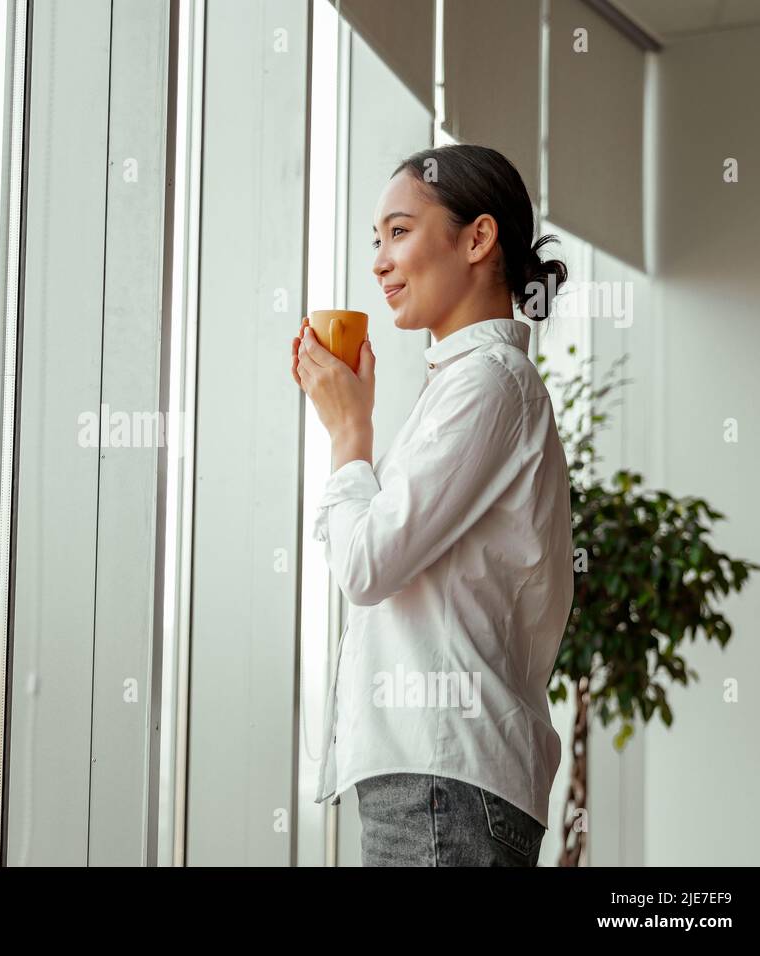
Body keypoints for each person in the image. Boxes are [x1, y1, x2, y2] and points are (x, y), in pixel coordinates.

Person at [292, 143, 574, 867]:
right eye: (376, 241)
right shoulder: (466, 387)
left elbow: (365, 565)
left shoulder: (488, 384)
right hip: (439, 782)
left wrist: (349, 433)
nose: (380, 261)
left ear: (478, 238)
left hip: (442, 785)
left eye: (399, 231)